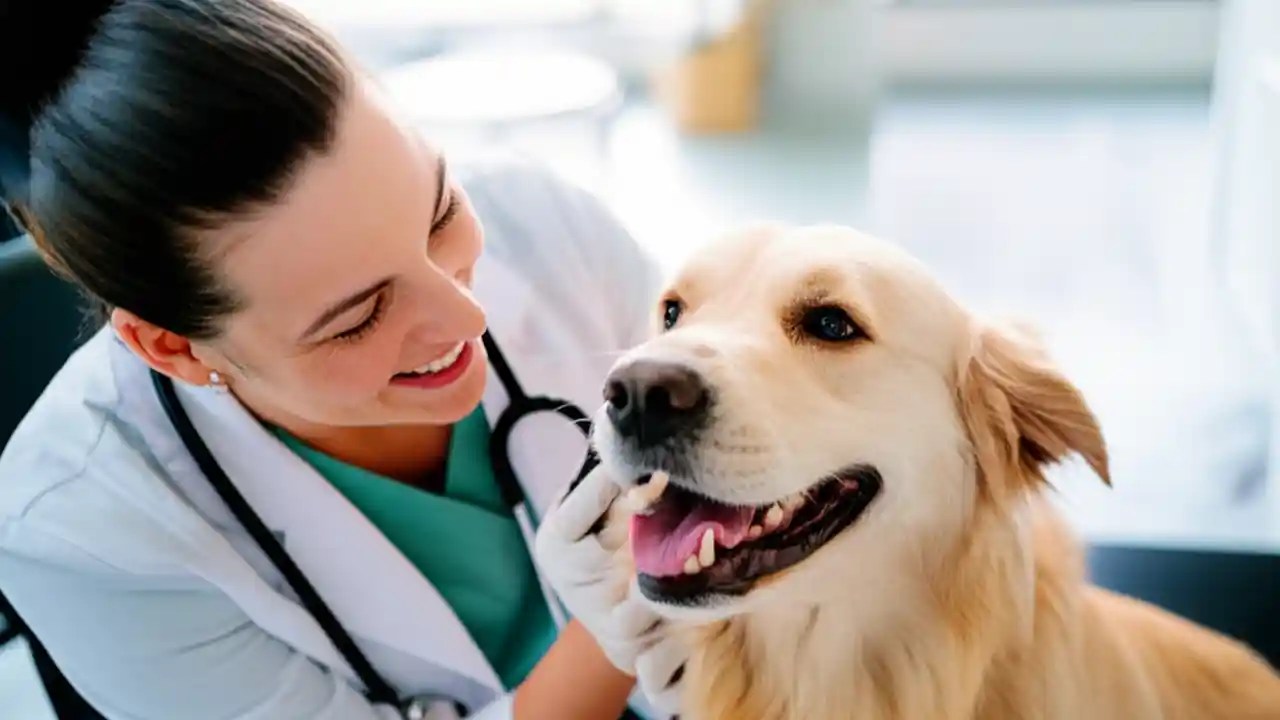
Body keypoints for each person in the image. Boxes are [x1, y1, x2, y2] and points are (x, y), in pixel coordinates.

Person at [0, 1, 685, 718]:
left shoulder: (544, 221)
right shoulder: (81, 533)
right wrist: (633, 616)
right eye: (357, 319)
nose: (467, 318)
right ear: (170, 346)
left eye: (441, 213)